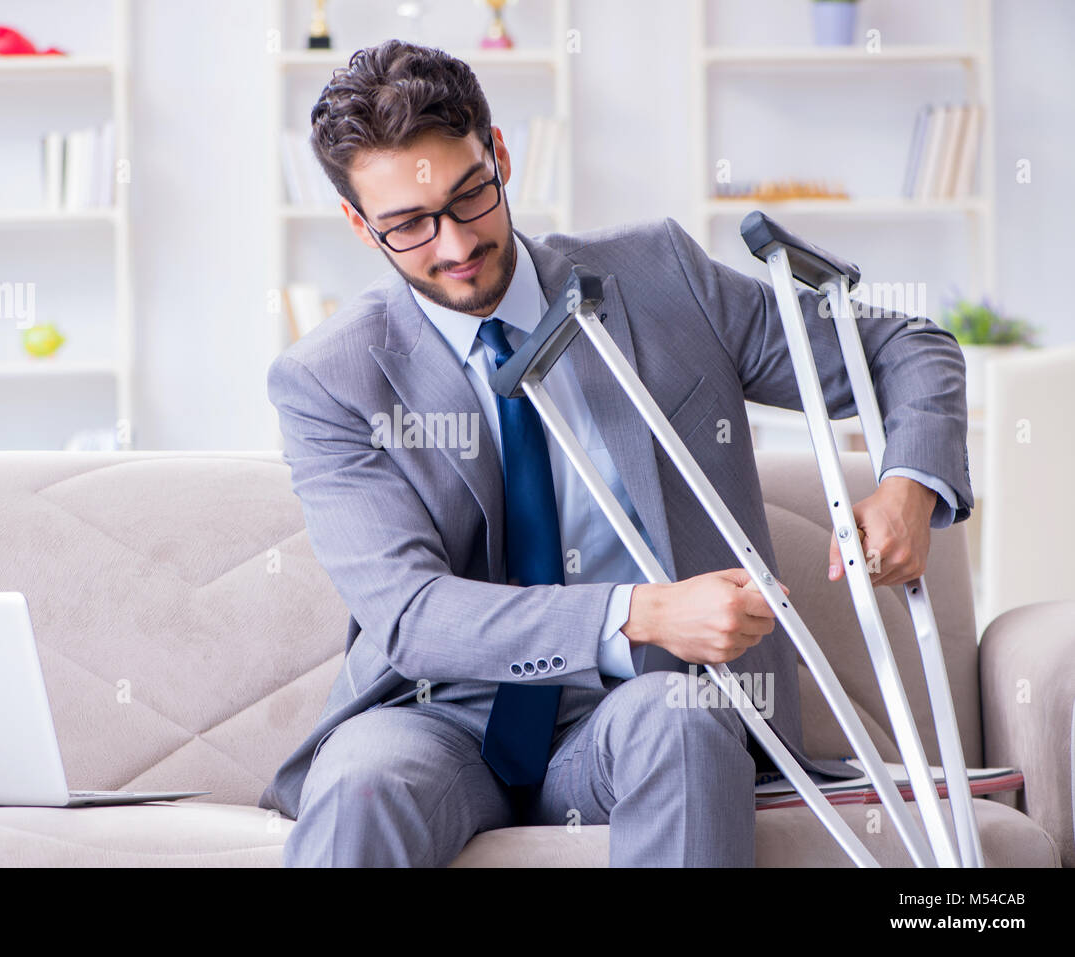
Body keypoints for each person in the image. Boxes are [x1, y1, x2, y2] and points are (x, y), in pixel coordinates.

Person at [259, 39, 972, 867]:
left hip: (636, 704)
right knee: (362, 787)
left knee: (681, 723)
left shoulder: (658, 277)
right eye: (410, 226)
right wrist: (636, 612)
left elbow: (906, 347)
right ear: (358, 225)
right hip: (434, 713)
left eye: (470, 198)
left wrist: (909, 483)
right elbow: (412, 612)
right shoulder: (329, 380)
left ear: (499, 154)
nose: (454, 245)